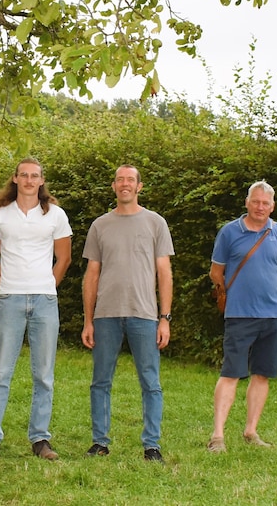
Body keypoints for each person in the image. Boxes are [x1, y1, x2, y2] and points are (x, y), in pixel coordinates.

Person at [81, 165, 175, 462]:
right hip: (105, 315)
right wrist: (87, 320)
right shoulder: (100, 226)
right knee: (100, 381)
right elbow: (91, 274)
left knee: (151, 382)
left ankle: (152, 445)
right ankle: (100, 442)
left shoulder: (155, 223)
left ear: (139, 186)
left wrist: (164, 318)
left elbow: (165, 273)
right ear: (113, 186)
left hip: (144, 315)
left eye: (130, 180)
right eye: (120, 180)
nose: (125, 184)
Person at [0, 157, 72, 461]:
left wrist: (48, 285)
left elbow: (64, 258)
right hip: (10, 299)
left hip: (45, 301)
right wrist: (4, 283)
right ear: (15, 178)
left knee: (44, 374)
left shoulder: (55, 214)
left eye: (35, 176)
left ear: (41, 180)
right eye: (24, 175)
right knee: (1, 372)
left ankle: (40, 438)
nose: (30, 180)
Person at [207, 180, 277, 453]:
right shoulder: (229, 232)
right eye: (255, 201)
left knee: (262, 375)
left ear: (273, 206)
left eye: (265, 203)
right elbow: (216, 273)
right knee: (230, 373)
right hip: (239, 316)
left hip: (273, 318)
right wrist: (234, 298)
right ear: (247, 202)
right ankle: (217, 437)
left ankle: (251, 431)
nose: (260, 207)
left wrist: (273, 302)